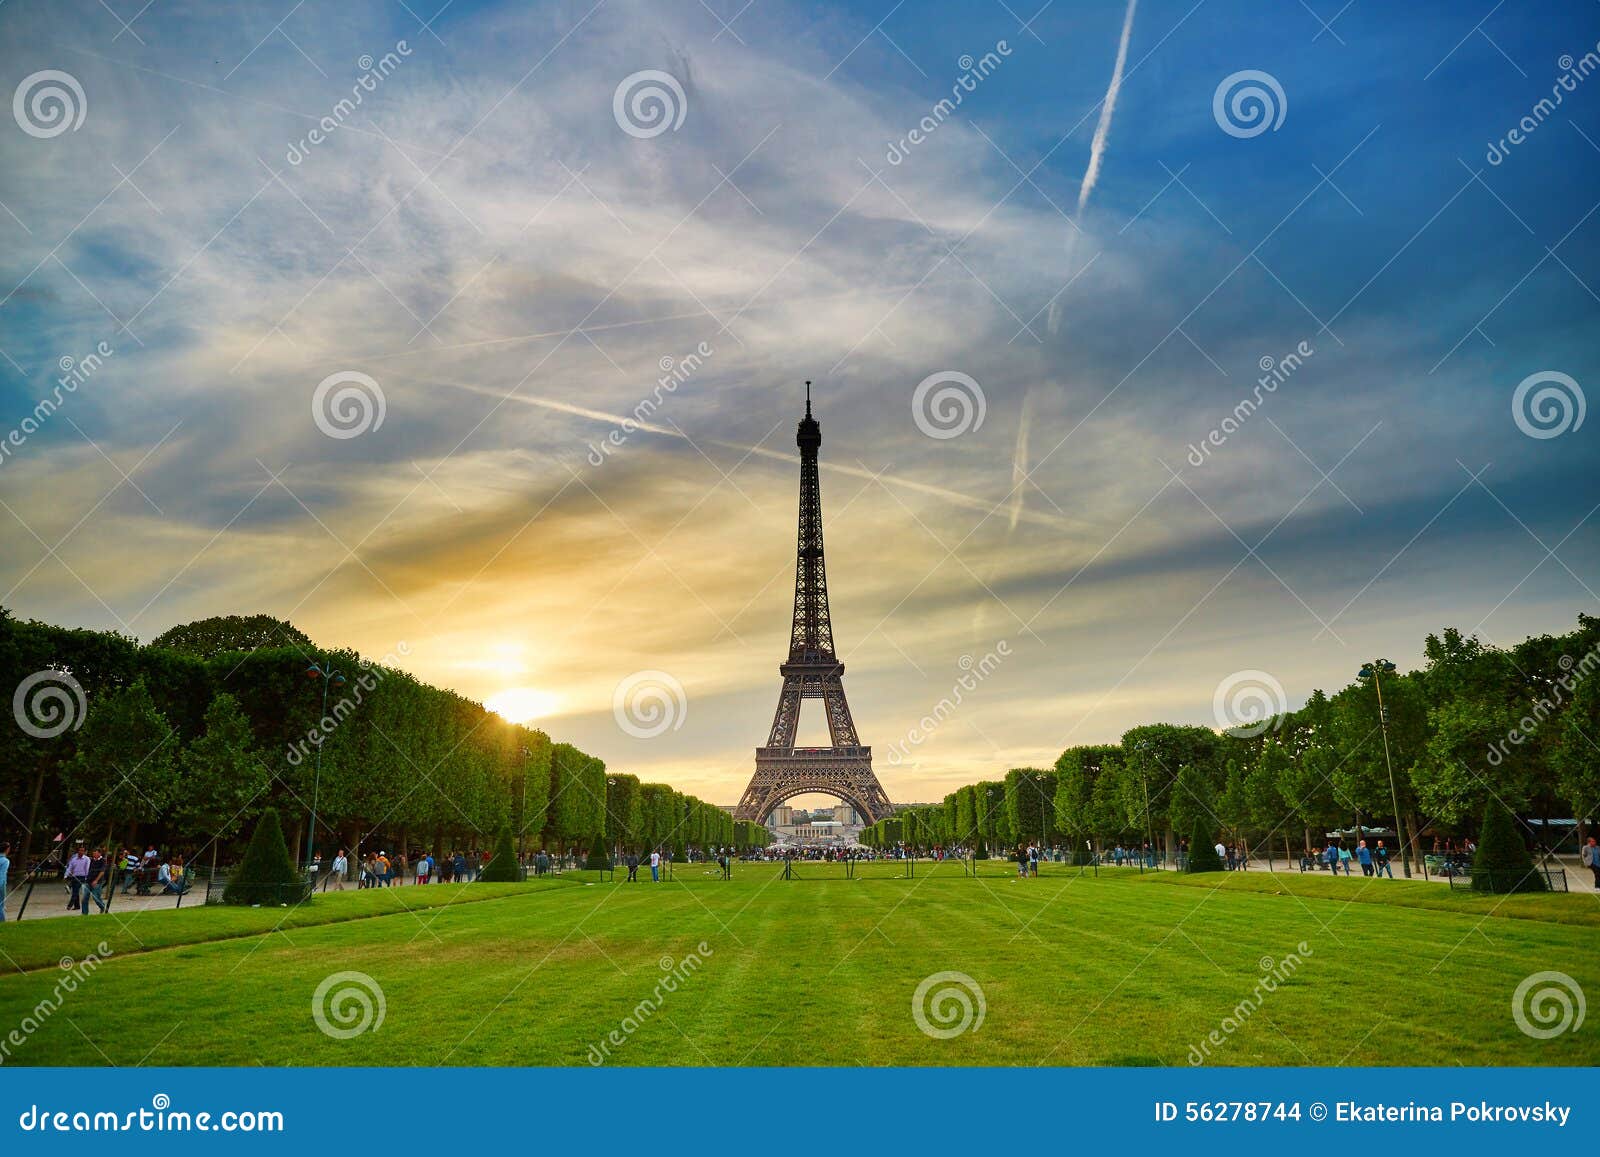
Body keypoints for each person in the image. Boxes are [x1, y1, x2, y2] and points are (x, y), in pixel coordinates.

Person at [81, 848, 109, 914]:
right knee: (85, 898)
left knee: (96, 897)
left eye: (95, 853)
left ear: (99, 853)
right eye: (93, 853)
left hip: (97, 882)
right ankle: (84, 913)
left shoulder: (103, 861)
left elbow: (102, 872)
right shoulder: (91, 860)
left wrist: (96, 880)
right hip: (88, 881)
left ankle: (102, 907)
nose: (94, 854)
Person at [66, 844, 90, 910]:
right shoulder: (74, 859)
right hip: (74, 876)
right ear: (78, 851)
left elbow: (87, 869)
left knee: (75, 891)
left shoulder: (87, 859)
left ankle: (69, 905)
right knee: (75, 891)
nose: (81, 852)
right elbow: (70, 867)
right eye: (80, 850)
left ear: (85, 852)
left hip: (82, 877)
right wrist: (66, 875)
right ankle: (77, 906)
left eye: (82, 850)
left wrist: (86, 877)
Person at [0, 842, 9, 923]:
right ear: (7, 849)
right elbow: (2, 877)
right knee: (1, 905)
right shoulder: (5, 861)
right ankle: (2, 923)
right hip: (0, 885)